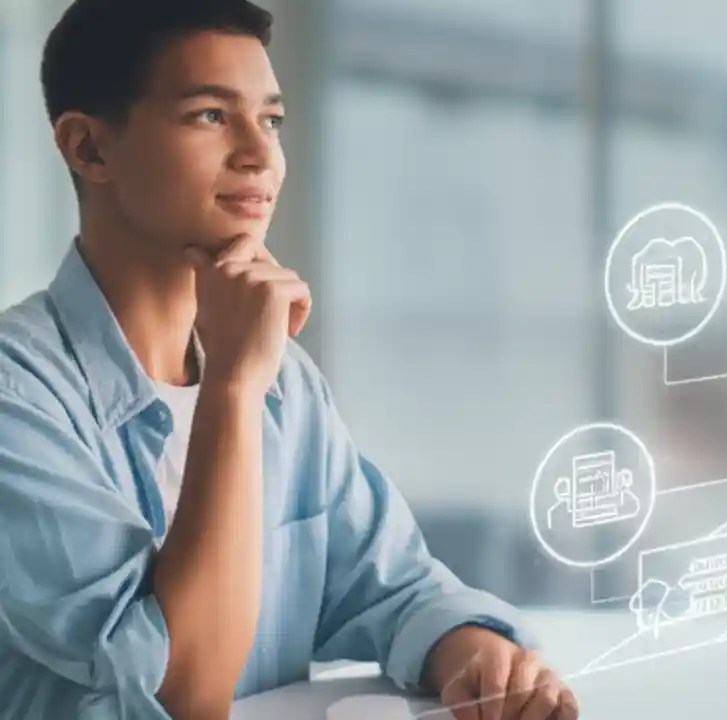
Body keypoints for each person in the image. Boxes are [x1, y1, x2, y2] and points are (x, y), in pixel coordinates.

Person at [0, 1, 578, 718]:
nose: (259, 153)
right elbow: (182, 692)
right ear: (88, 148)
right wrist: (235, 388)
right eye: (210, 115)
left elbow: (391, 586)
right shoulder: (18, 401)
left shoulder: (283, 381)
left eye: (270, 120)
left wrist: (470, 651)